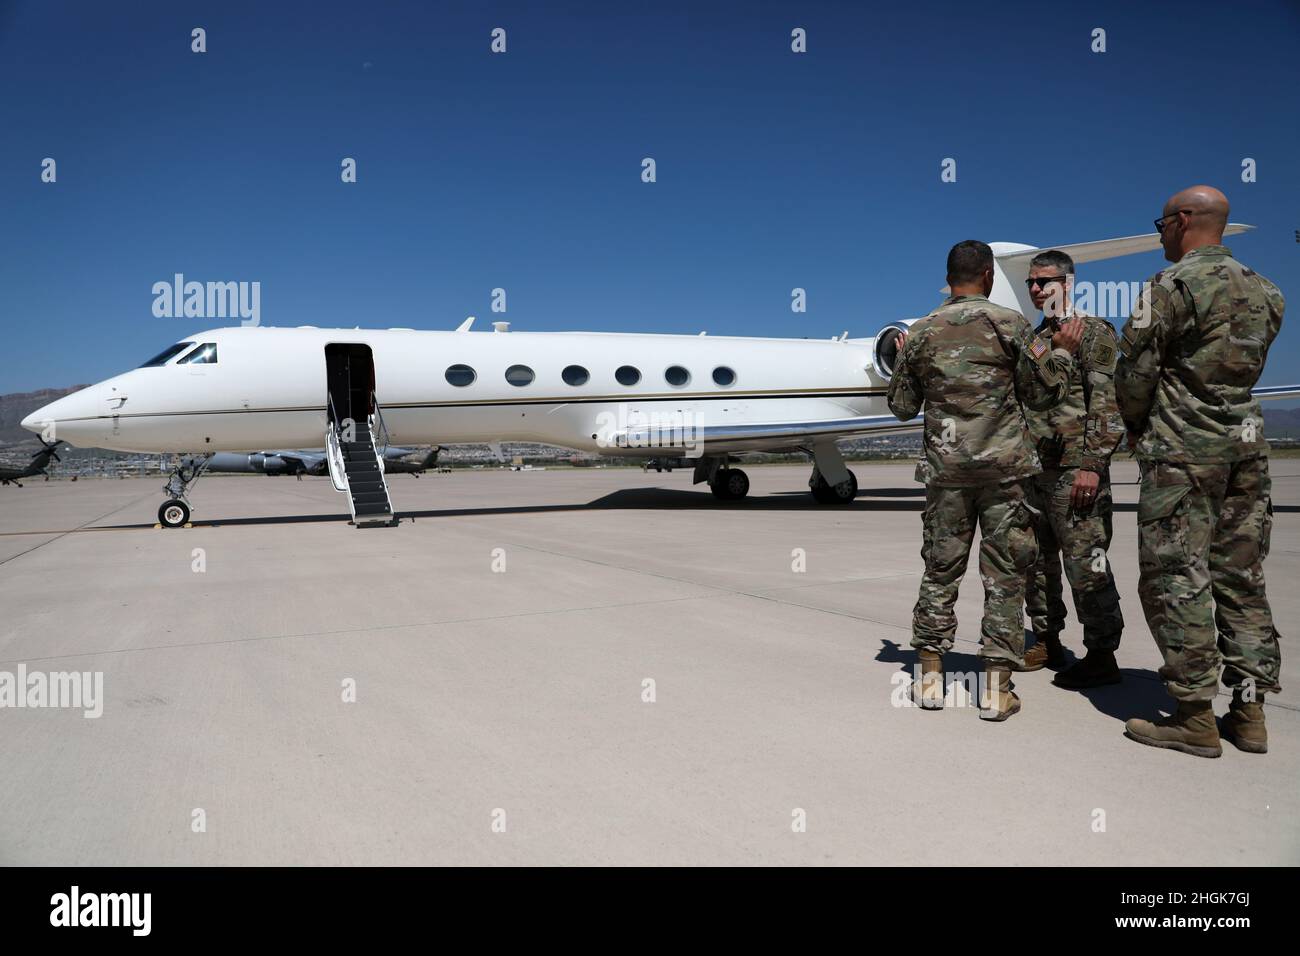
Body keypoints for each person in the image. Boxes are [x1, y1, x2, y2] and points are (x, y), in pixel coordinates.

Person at [1117, 185, 1285, 758]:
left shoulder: (1168, 288)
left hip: (1183, 456)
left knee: (1176, 579)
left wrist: (1137, 426)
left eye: (1162, 222)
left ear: (1184, 220)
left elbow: (1134, 373)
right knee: (1241, 578)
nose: (1160, 232)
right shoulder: (1266, 290)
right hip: (1246, 450)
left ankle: (1193, 715)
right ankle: (1250, 712)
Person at [888, 240, 1079, 720]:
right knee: (1005, 576)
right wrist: (1061, 352)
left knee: (939, 571)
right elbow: (1047, 391)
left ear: (948, 277)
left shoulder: (923, 331)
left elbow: (902, 406)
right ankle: (996, 688)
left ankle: (929, 678)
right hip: (1003, 472)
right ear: (989, 277)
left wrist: (903, 358)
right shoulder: (1010, 325)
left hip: (946, 474)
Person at [1019, 250, 1126, 687]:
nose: (1036, 289)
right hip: (1034, 470)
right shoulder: (1034, 340)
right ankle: (1047, 640)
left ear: (1068, 283)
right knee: (1037, 562)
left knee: (1086, 563)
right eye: (1031, 282)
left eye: (1045, 281)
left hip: (1074, 470)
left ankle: (1102, 653)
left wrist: (1092, 466)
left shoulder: (1094, 332)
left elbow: (1107, 404)